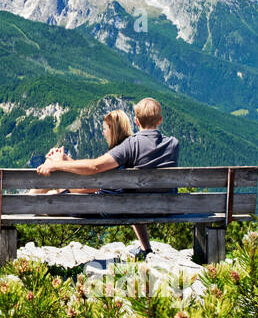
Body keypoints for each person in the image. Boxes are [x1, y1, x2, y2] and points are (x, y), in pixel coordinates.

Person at [36, 97, 179, 260]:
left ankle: (24, 203)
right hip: (165, 208)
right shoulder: (173, 144)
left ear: (136, 121)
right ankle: (146, 249)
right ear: (160, 120)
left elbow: (95, 167)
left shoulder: (130, 145)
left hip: (129, 208)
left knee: (47, 199)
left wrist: (57, 165)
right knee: (134, 198)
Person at [31, 110, 133, 195]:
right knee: (53, 164)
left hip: (97, 207)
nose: (103, 133)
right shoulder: (128, 151)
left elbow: (89, 185)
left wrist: (57, 168)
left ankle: (25, 202)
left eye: (104, 129)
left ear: (113, 131)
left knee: (50, 190)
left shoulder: (116, 156)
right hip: (109, 203)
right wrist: (63, 159)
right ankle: (26, 201)